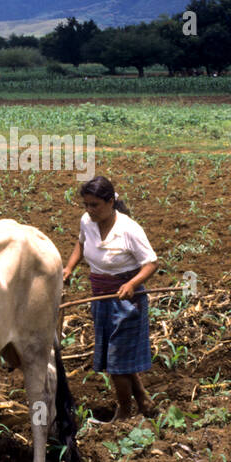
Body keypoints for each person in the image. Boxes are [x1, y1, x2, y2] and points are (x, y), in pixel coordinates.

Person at [62, 176, 159, 421]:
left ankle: (125, 413)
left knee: (116, 361)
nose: (89, 210)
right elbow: (81, 244)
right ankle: (144, 401)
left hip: (127, 300)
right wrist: (69, 268)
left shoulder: (128, 229)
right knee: (117, 356)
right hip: (101, 297)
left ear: (110, 202)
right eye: (86, 204)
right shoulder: (87, 221)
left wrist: (131, 284)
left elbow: (151, 263)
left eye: (94, 205)